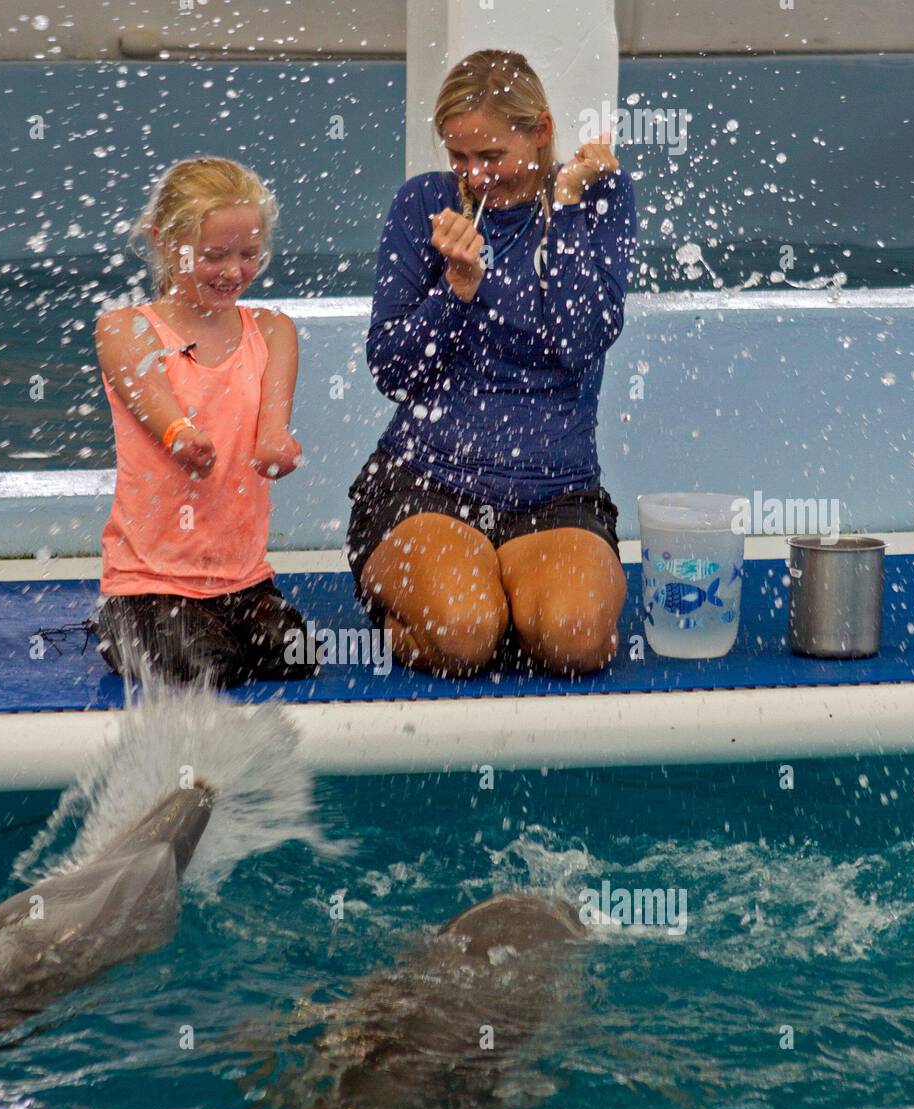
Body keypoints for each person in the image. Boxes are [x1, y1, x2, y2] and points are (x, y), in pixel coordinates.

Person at [346, 49, 637, 677]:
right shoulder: (422, 204)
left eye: (492, 156)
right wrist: (453, 292)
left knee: (578, 640)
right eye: (459, 157)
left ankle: (508, 595)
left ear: (542, 130)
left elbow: (578, 341)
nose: (474, 177)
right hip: (427, 486)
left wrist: (561, 207)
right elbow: (392, 372)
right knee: (464, 634)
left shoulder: (596, 197)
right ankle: (462, 605)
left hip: (557, 492)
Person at [94, 157, 317, 687]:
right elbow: (152, 399)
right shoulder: (125, 328)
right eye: (215, 255)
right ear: (165, 243)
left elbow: (272, 428)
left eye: (249, 254)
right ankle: (117, 624)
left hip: (243, 581)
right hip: (148, 584)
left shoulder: (272, 331)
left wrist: (278, 447)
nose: (235, 271)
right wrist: (179, 434)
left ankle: (215, 616)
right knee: (207, 670)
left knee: (294, 656)